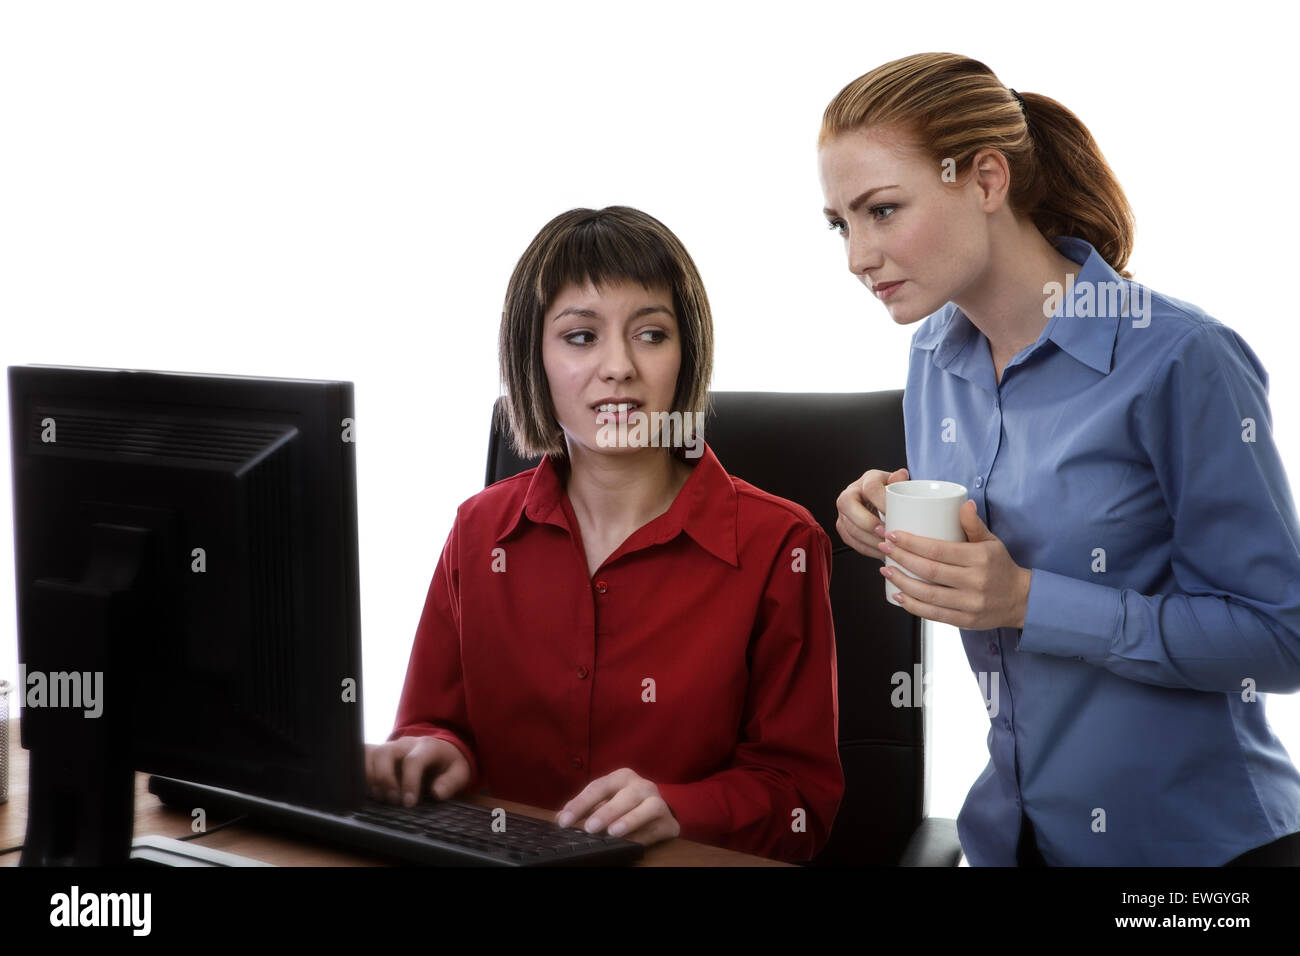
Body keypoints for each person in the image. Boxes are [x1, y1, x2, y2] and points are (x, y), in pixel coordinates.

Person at [819, 52, 1300, 866]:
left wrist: (1028, 601)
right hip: (1015, 841)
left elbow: (1281, 637)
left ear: (986, 180)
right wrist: (891, 510)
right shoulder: (935, 357)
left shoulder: (1182, 358)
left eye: (883, 210)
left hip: (1198, 858)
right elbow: (1000, 531)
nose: (858, 256)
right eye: (840, 223)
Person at [365, 206, 843, 862]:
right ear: (534, 356)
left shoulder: (778, 545)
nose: (618, 366)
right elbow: (431, 726)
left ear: (686, 354)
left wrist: (678, 807)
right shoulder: (480, 532)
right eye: (581, 337)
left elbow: (799, 803)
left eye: (650, 334)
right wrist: (430, 751)